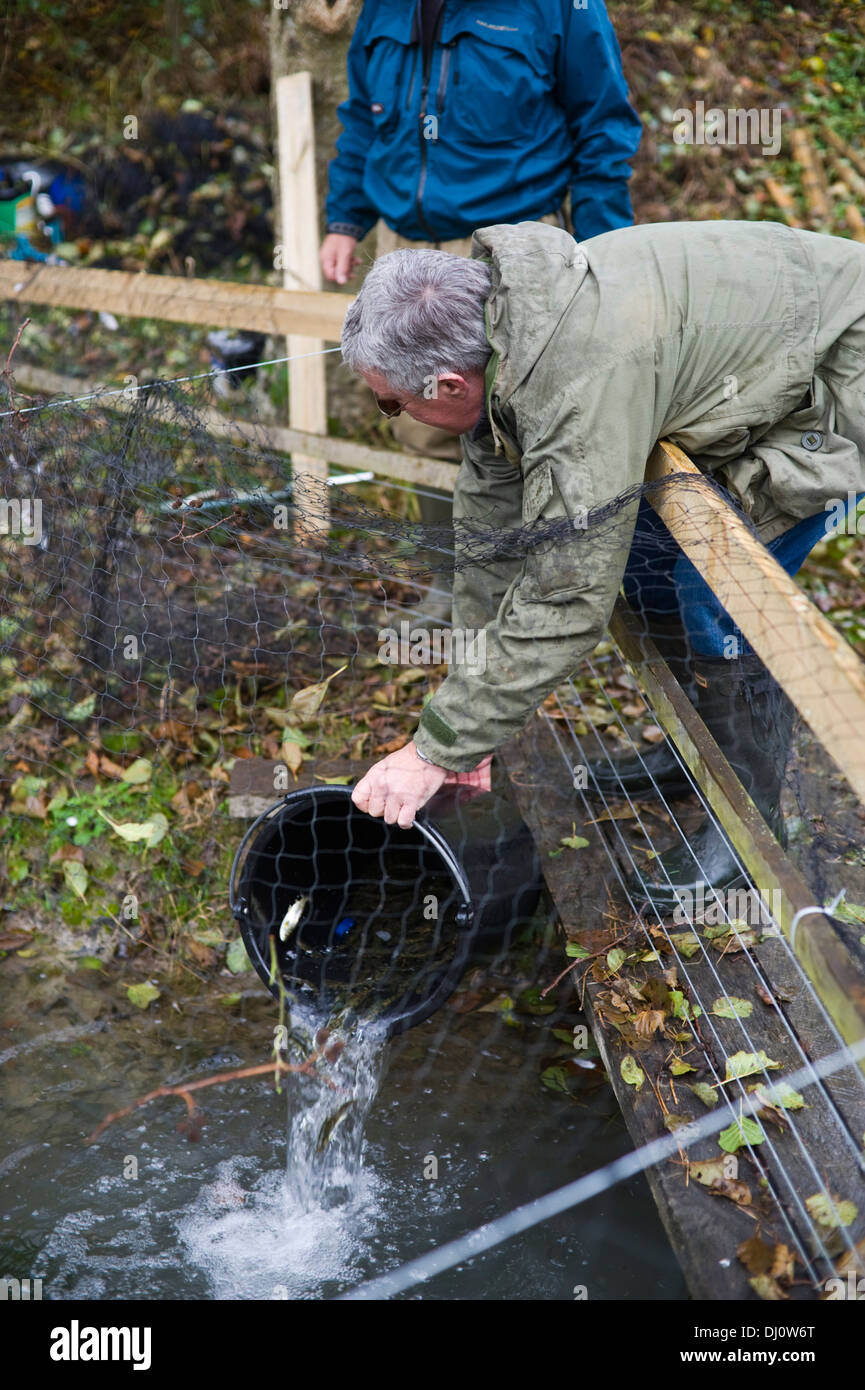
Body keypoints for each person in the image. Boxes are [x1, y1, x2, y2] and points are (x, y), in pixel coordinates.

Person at [341, 218, 865, 908]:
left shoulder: (572, 380)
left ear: (446, 384)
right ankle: (694, 747)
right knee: (642, 562)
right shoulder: (509, 333)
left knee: (713, 585)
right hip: (778, 348)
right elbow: (489, 529)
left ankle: (748, 825)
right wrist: (463, 722)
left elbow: (567, 597)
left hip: (841, 376)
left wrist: (432, 752)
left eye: (391, 403)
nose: (391, 414)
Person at [320, 0, 642, 611]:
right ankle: (453, 579)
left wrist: (606, 255)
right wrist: (345, 218)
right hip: (405, 248)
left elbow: (604, 130)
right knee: (425, 421)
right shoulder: (384, 8)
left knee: (521, 418)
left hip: (513, 250)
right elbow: (364, 116)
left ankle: (543, 587)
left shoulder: (562, 10)